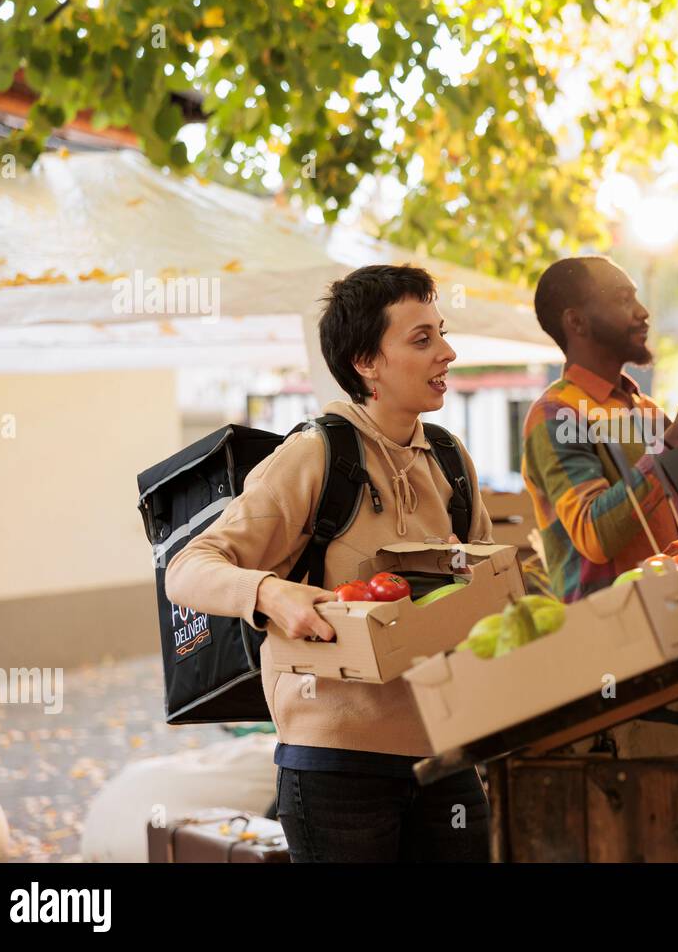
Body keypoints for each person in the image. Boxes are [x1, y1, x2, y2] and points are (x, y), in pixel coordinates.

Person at [165, 265, 494, 862]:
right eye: (421, 340)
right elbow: (187, 568)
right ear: (366, 362)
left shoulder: (449, 460)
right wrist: (272, 594)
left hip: (445, 757)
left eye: (441, 333)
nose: (447, 352)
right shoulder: (316, 454)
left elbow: (486, 593)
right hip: (338, 770)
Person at [522, 255, 678, 602]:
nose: (643, 312)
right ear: (577, 322)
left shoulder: (647, 411)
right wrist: (674, 442)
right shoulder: (555, 413)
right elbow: (594, 536)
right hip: (614, 633)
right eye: (623, 299)